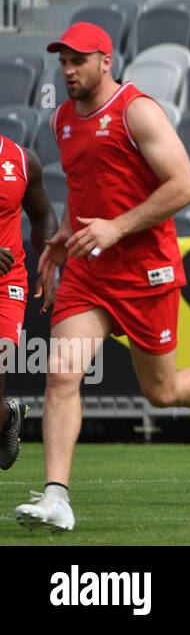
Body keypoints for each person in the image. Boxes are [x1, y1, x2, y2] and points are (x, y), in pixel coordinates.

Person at [19, 22, 190, 533]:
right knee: (61, 374)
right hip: (89, 273)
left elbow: (183, 187)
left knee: (163, 392)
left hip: (146, 272)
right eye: (63, 62)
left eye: (79, 60)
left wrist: (117, 227)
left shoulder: (138, 111)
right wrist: (64, 237)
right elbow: (86, 191)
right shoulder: (62, 119)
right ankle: (57, 496)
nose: (68, 71)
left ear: (105, 61)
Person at [0, 131, 55, 471]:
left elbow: (43, 216)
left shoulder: (22, 161)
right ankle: (9, 414)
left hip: (6, 288)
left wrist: (51, 266)